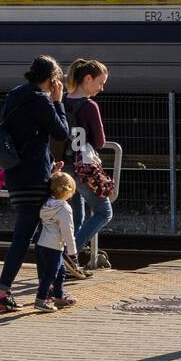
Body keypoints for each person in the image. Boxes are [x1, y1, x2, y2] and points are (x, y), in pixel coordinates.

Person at [0, 55, 70, 313]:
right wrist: (58, 103)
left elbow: (29, 138)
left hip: (15, 175)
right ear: (51, 79)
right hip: (34, 177)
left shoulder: (14, 95)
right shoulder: (40, 100)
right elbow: (61, 133)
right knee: (33, 237)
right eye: (55, 81)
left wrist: (48, 163)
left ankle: (48, 292)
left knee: (36, 235)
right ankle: (4, 293)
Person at [58, 58, 113, 273]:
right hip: (83, 169)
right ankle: (69, 257)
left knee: (77, 217)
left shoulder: (61, 101)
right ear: (87, 79)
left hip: (64, 166)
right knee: (103, 212)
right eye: (100, 83)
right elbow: (99, 141)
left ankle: (66, 267)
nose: (101, 88)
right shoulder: (90, 106)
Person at [34, 171, 79, 312]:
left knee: (61, 271)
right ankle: (40, 300)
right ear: (68, 190)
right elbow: (68, 231)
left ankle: (59, 296)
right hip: (54, 245)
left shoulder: (46, 203)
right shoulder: (64, 208)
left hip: (42, 243)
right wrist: (73, 254)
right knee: (51, 274)